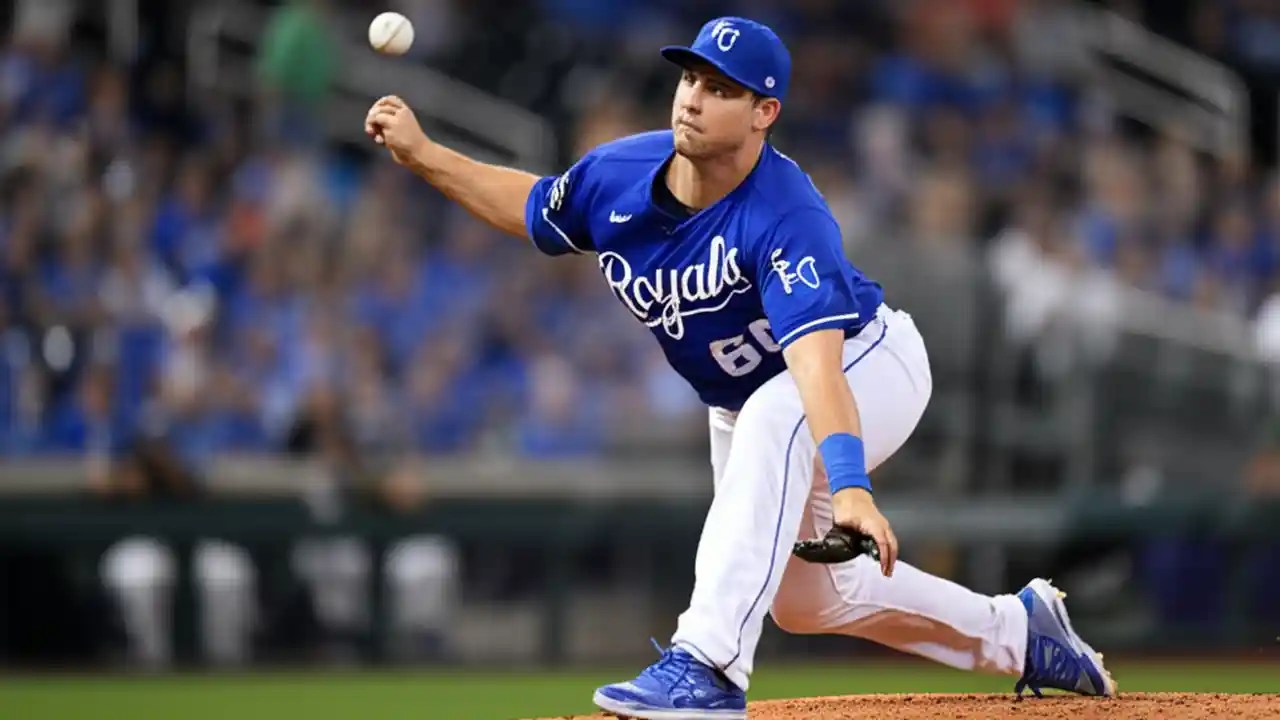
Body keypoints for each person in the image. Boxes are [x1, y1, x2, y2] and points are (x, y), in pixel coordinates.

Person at [365, 16, 1116, 719]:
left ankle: (709, 666)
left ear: (765, 112)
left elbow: (815, 369)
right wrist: (426, 155)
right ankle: (1019, 632)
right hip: (753, 404)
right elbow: (534, 208)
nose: (693, 99)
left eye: (721, 89)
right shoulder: (617, 175)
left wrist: (850, 483)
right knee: (810, 601)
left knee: (776, 413)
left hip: (867, 365)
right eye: (690, 79)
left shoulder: (787, 213)